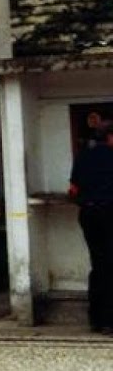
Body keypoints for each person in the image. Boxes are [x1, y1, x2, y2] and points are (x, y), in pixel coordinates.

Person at [69, 119, 113, 334]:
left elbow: (74, 190)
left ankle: (96, 319)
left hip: (88, 214)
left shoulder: (83, 156)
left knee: (98, 264)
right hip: (109, 213)